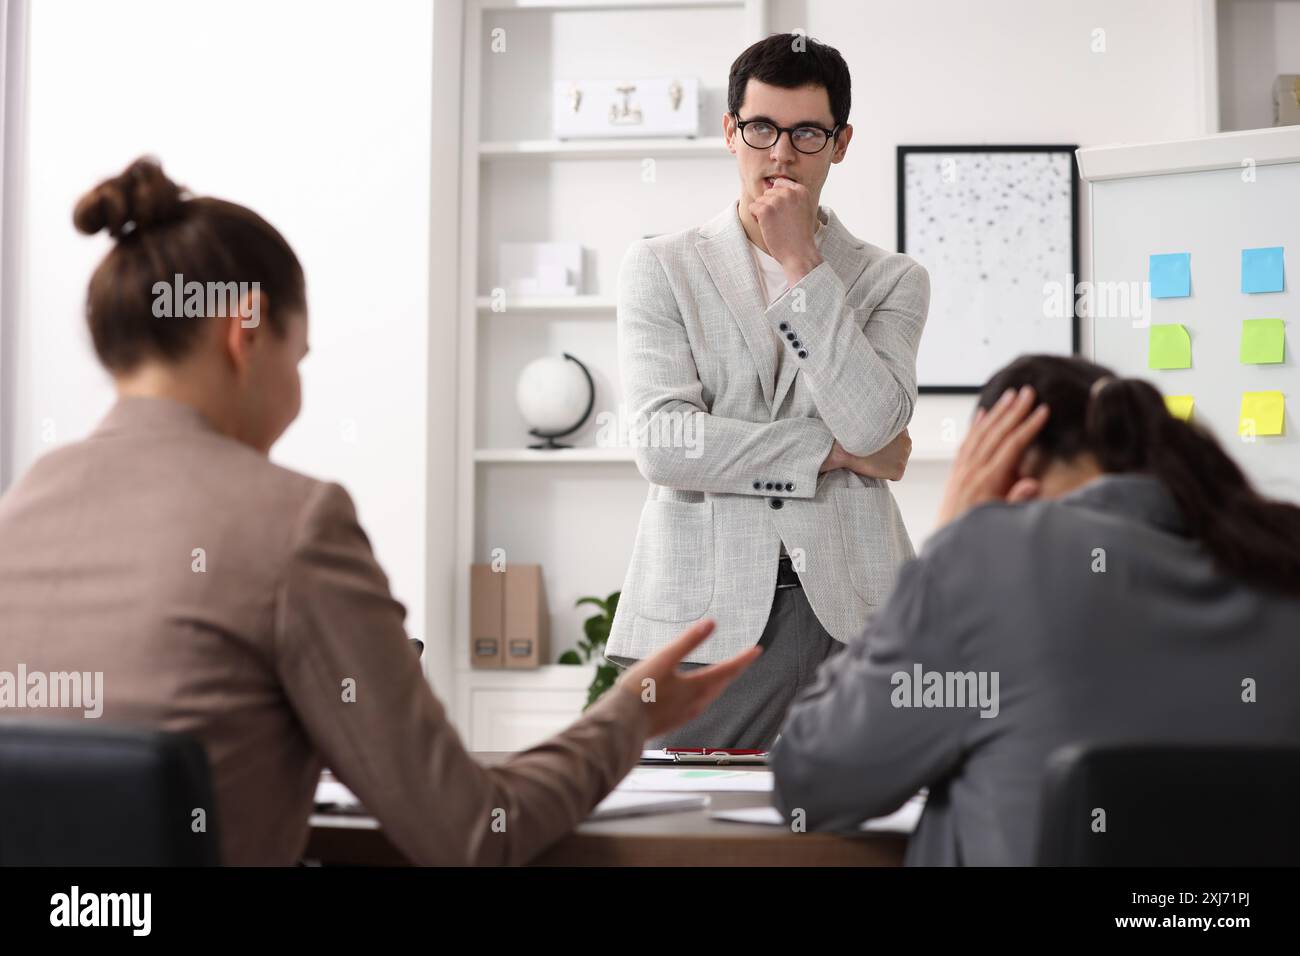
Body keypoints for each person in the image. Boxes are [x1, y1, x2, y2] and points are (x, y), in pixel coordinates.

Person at [0, 157, 758, 866]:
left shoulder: (21, 510)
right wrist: (631, 712)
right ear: (246, 334)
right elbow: (470, 831)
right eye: (298, 361)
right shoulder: (293, 524)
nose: (295, 396)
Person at [770, 353, 1300, 865]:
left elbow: (811, 779)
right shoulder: (1278, 550)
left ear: (1007, 465)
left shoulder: (991, 557)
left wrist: (949, 541)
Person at [606, 32, 930, 750]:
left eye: (807, 133)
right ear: (731, 132)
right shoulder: (660, 266)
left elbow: (874, 426)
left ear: (840, 143)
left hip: (856, 614)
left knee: (859, 845)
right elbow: (665, 443)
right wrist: (832, 453)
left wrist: (802, 263)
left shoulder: (892, 281)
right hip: (704, 615)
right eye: (761, 129)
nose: (781, 154)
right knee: (689, 843)